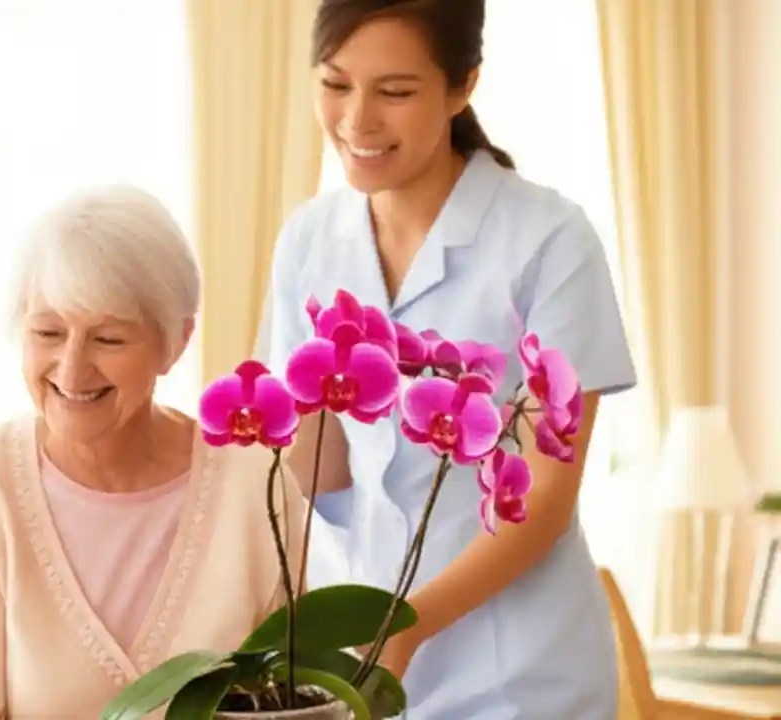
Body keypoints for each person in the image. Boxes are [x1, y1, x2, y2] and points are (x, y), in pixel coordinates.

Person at [265, 1, 637, 718]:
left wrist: (404, 628)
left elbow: (545, 498)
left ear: (463, 85)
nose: (357, 120)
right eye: (335, 84)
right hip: (359, 657)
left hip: (519, 676)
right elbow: (316, 468)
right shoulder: (308, 240)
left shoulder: (548, 239)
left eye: (395, 91)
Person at [0, 185, 307, 718]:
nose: (72, 370)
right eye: (48, 332)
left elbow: (297, 695)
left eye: (109, 339)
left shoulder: (257, 489)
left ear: (176, 342)